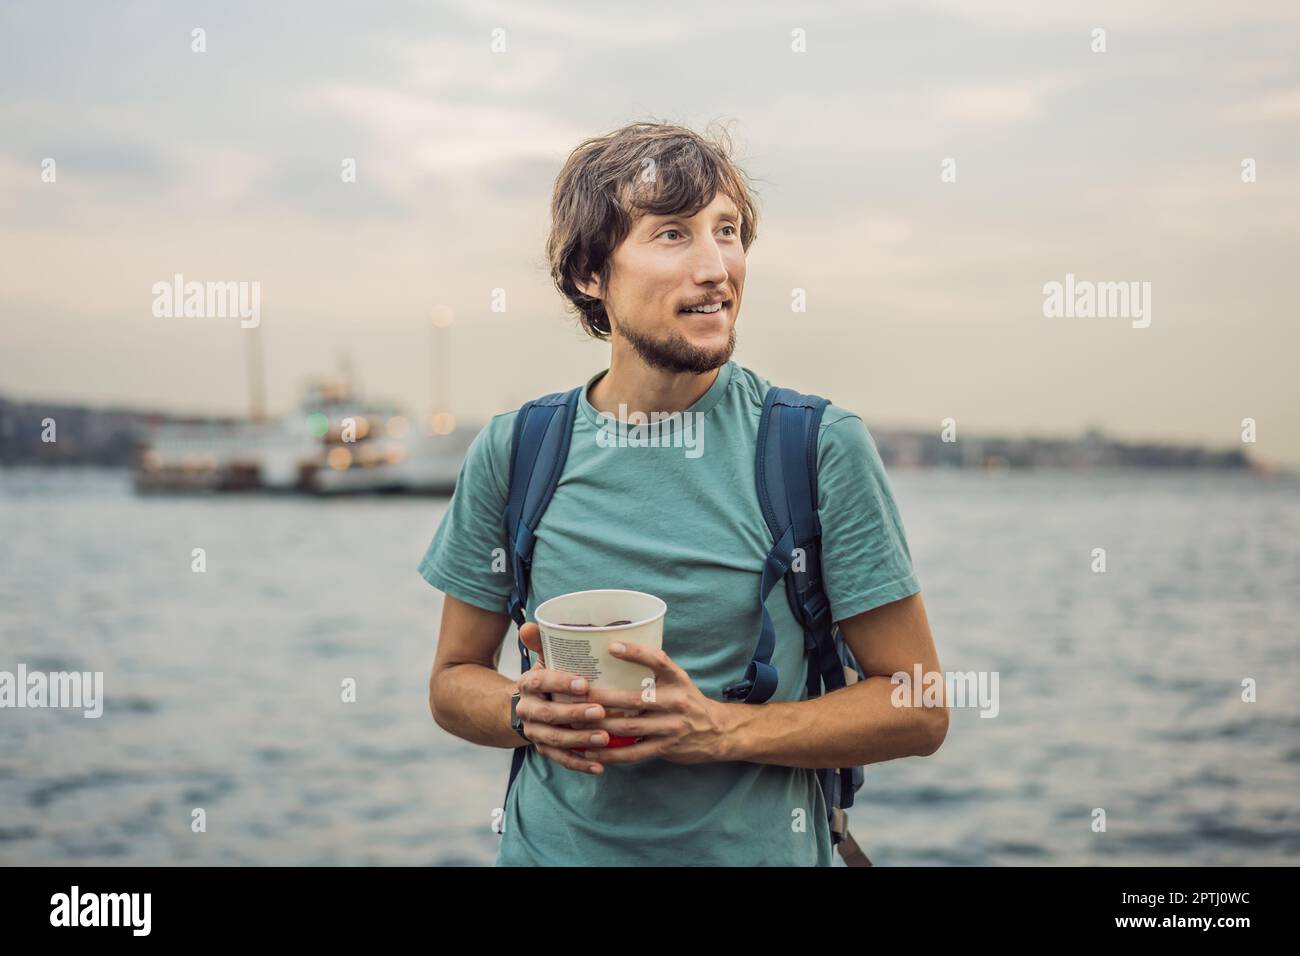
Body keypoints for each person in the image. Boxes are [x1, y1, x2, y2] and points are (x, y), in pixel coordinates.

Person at [419, 121, 947, 866]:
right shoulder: (518, 450)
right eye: (672, 234)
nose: (716, 268)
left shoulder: (815, 446)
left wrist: (722, 730)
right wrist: (522, 711)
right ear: (588, 274)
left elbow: (919, 707)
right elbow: (451, 682)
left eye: (726, 231)